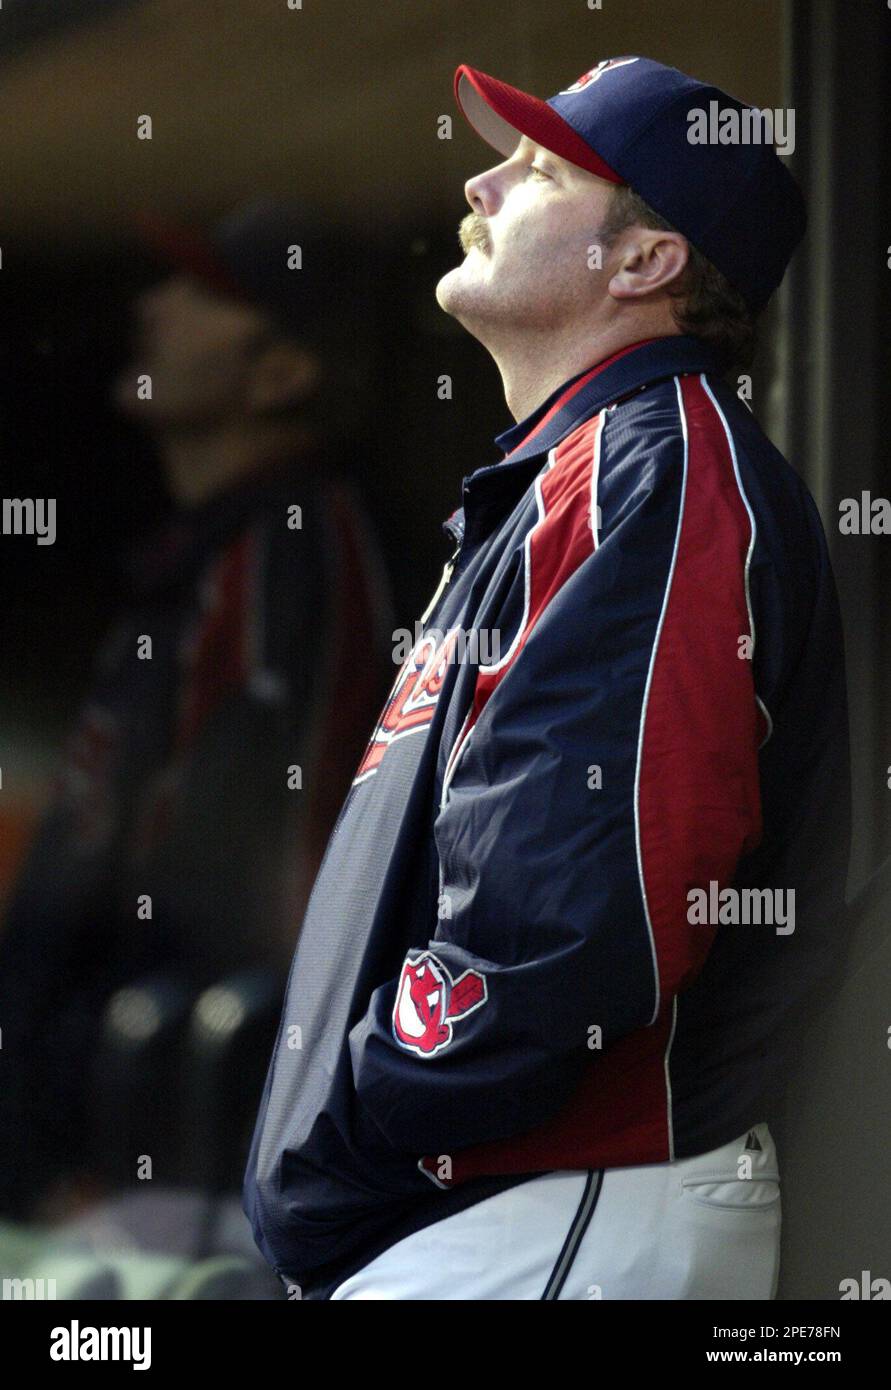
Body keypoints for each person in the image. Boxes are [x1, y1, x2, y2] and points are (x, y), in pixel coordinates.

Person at [243, 59, 851, 1300]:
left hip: (556, 1193)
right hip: (492, 1203)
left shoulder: (660, 467)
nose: (481, 180)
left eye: (541, 168)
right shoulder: (580, 471)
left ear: (643, 264)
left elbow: (585, 907)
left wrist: (375, 1124)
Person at [0, 200, 392, 1223]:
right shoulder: (214, 554)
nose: (153, 306)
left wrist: (110, 1130)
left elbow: (253, 890)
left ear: (281, 372)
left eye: (204, 292)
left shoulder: (295, 549)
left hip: (171, 1152)